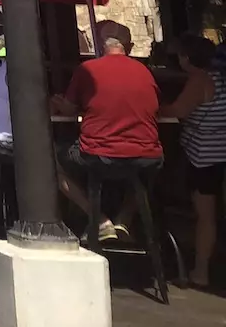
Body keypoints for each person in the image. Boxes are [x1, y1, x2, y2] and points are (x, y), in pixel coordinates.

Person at [50, 21, 162, 243]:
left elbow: (70, 110)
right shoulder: (145, 72)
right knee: (143, 175)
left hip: (98, 155)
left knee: (50, 163)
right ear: (128, 47)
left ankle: (100, 220)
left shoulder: (88, 70)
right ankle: (124, 220)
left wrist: (57, 101)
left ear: (101, 46)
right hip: (148, 156)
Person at [159, 34, 226, 288]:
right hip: (219, 151)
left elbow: (178, 111)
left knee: (205, 215)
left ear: (187, 57)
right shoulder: (219, 77)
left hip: (204, 156)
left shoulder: (200, 80)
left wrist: (157, 106)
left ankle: (201, 272)